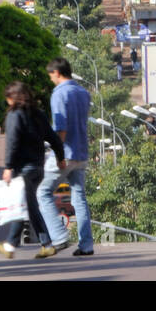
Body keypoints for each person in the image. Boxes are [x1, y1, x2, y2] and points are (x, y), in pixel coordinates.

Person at [0, 82, 64, 259]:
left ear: (12, 98)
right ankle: (46, 244)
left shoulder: (14, 115)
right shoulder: (38, 114)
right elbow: (53, 137)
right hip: (38, 167)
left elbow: (12, 142)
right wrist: (60, 157)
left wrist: (8, 166)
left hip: (23, 168)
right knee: (29, 206)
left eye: (8, 97)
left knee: (22, 205)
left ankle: (10, 245)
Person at [36, 58, 95, 256]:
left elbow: (60, 129)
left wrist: (57, 154)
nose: (51, 79)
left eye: (51, 75)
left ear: (57, 73)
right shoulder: (83, 93)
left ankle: (59, 237)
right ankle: (86, 245)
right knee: (79, 197)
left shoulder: (59, 94)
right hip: (82, 152)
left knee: (42, 192)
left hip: (65, 153)